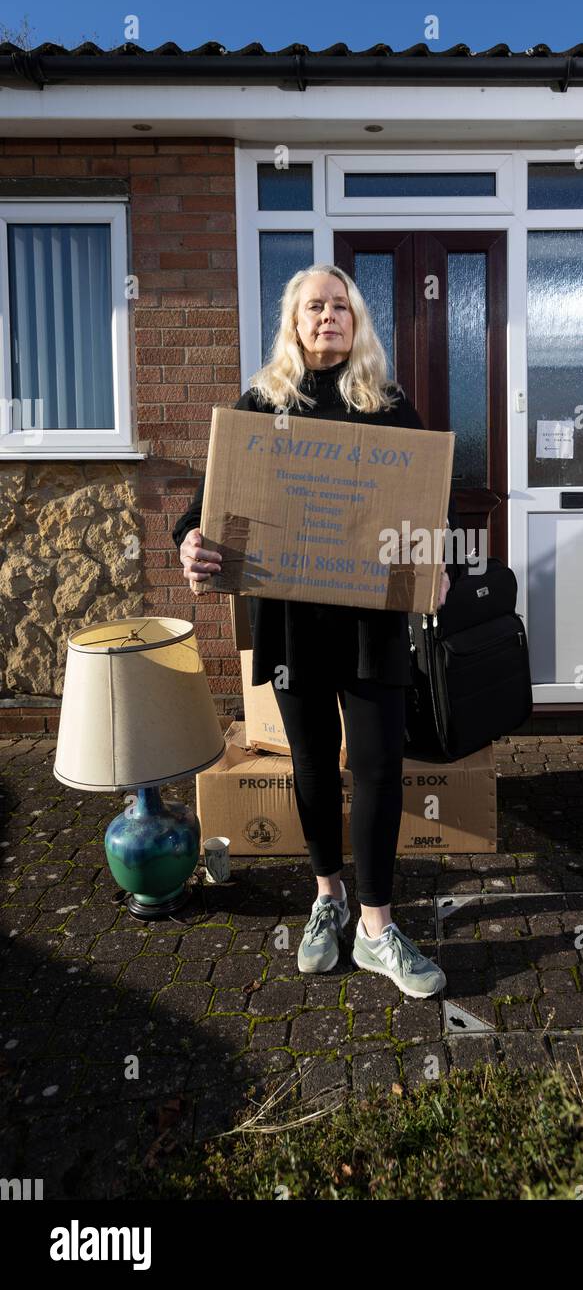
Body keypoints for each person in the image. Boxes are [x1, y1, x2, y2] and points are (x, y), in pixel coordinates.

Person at [172, 264, 463, 999]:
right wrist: (190, 542)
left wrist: (437, 563)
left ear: (355, 321)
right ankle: (325, 896)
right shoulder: (263, 403)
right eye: (313, 306)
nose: (327, 316)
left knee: (375, 766)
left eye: (339, 305)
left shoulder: (389, 407)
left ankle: (375, 927)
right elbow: (208, 507)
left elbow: (429, 508)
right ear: (293, 322)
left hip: (370, 623)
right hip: (292, 622)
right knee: (309, 764)